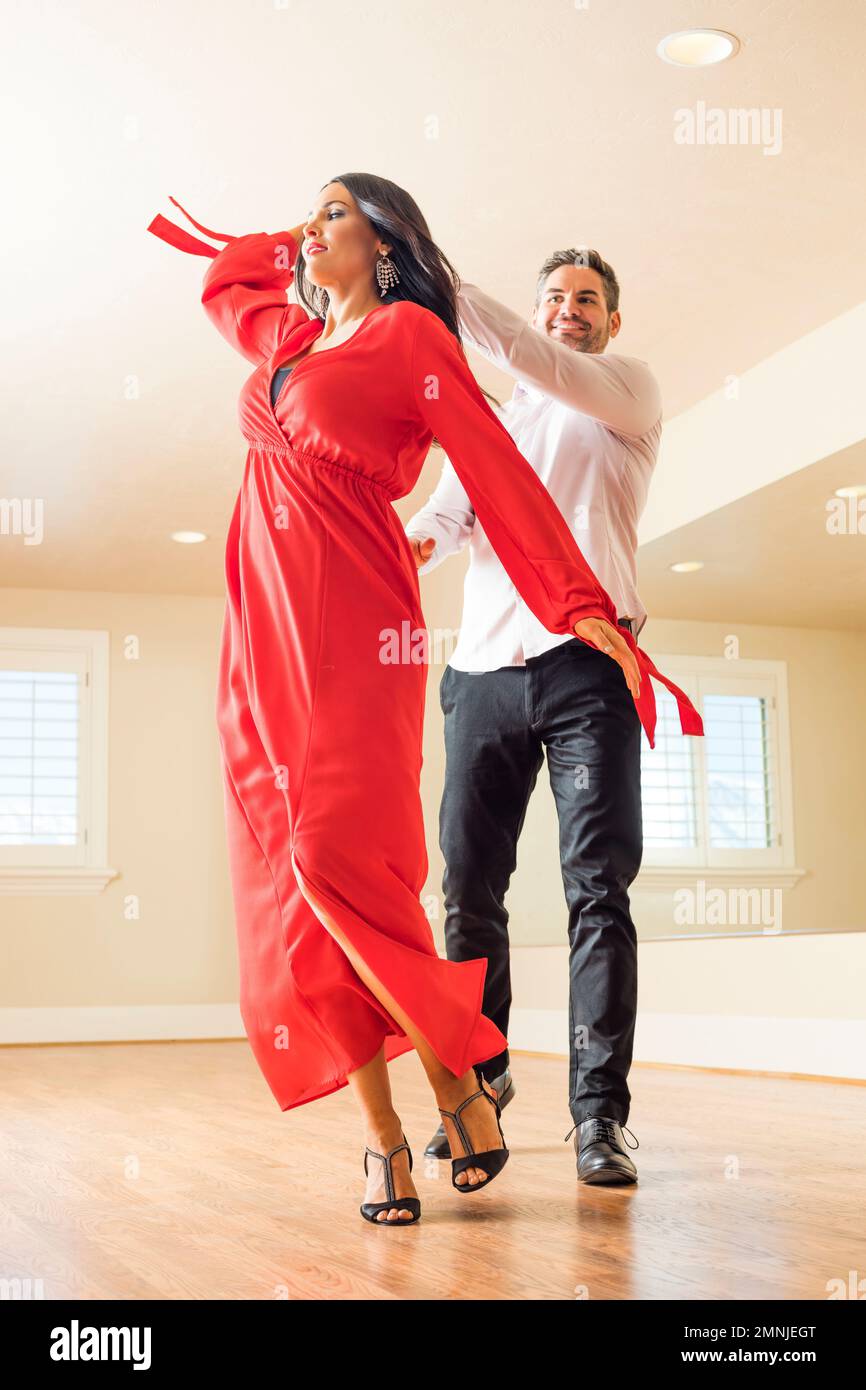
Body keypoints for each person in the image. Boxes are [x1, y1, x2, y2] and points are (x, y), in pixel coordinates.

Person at [146, 176, 702, 1224]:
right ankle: (386, 1143)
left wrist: (578, 601)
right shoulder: (288, 341)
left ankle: (523, 1098)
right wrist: (295, 233)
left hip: (378, 630)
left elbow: (499, 478)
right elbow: (224, 283)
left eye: (335, 214)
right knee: (311, 884)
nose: (311, 231)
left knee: (351, 863)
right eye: (554, 296)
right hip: (272, 627)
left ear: (388, 242)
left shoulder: (437, 346)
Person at [405, 248, 670, 1183]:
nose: (567, 310)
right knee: (468, 892)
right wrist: (374, 550)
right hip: (480, 675)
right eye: (554, 297)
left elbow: (536, 361)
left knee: (598, 890)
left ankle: (599, 1117)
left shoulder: (623, 394)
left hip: (588, 666)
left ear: (611, 321)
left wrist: (440, 283)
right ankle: (482, 1083)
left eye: (587, 298)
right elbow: (437, 528)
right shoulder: (493, 426)